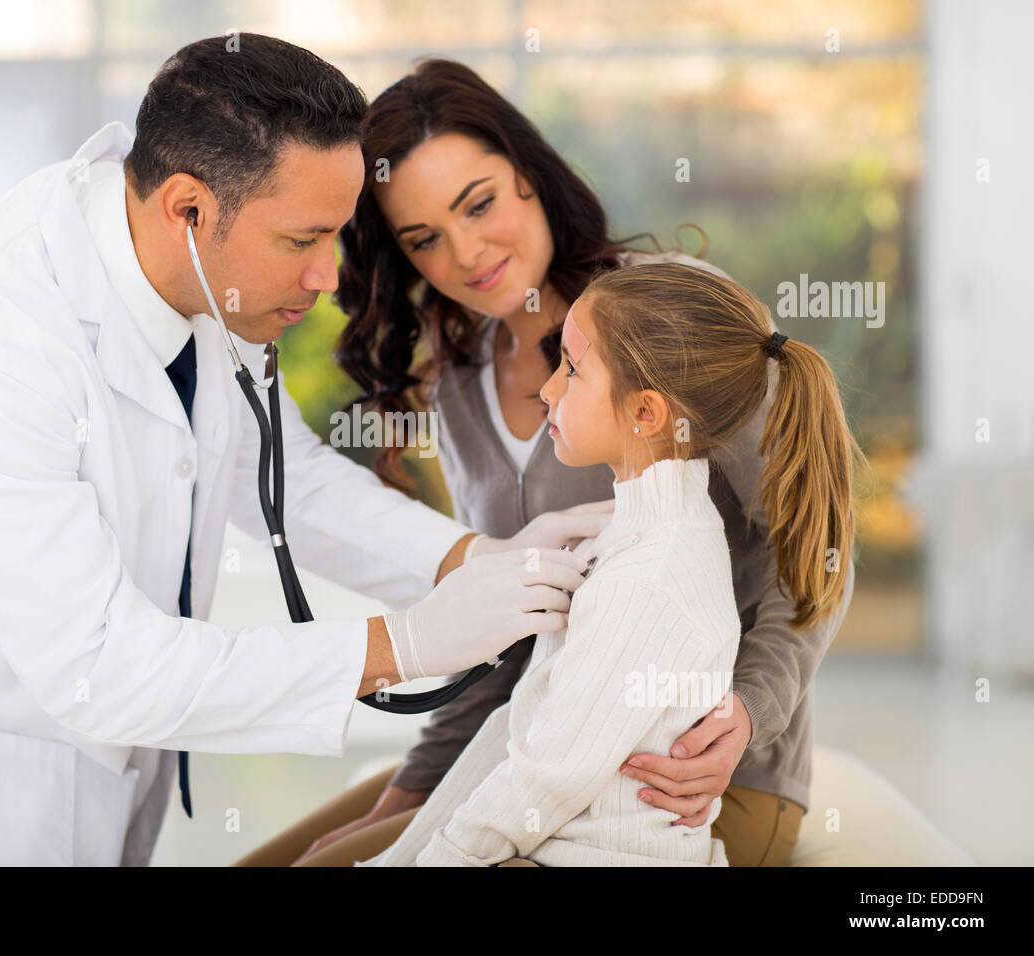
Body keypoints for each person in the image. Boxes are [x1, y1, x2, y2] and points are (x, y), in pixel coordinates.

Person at [0, 34, 603, 866]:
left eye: (335, 236)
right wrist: (404, 646)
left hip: (86, 769)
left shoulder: (204, 279)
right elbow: (97, 665)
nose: (327, 276)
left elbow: (285, 479)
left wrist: (477, 559)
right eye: (302, 240)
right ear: (188, 208)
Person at [235, 59, 854, 868]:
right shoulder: (458, 379)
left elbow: (810, 547)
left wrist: (747, 712)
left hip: (683, 783)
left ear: (530, 174)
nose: (467, 253)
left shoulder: (664, 321)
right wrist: (411, 789)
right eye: (425, 239)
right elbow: (508, 632)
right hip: (542, 742)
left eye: (479, 203)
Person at [358, 263, 865, 866]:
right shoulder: (630, 537)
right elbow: (526, 730)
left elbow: (549, 774)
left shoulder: (647, 578)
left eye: (571, 369)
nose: (547, 389)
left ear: (647, 414)